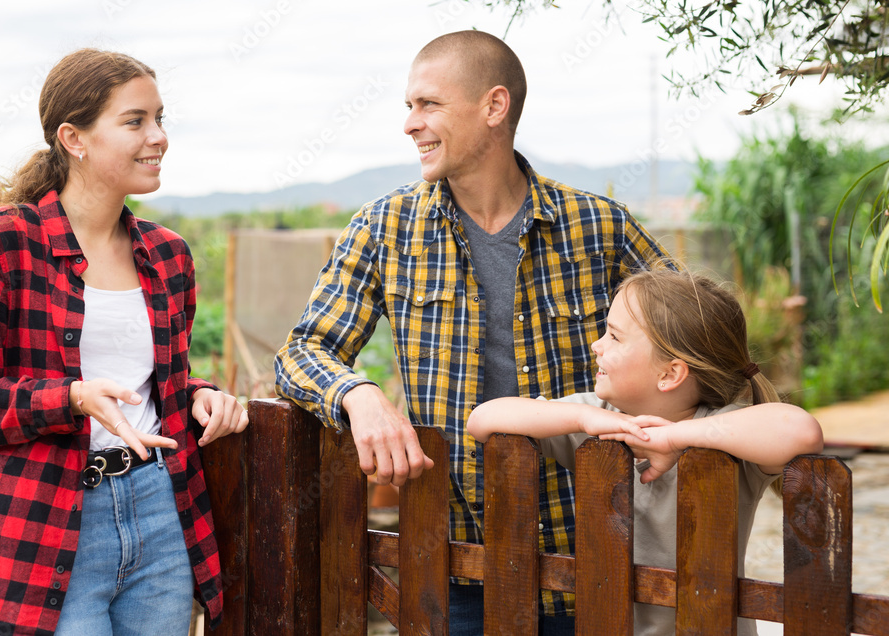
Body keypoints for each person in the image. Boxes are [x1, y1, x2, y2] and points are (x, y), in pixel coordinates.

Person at [274, 30, 670, 633]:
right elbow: (303, 351)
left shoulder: (599, 226)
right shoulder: (385, 229)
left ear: (493, 106)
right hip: (455, 562)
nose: (410, 124)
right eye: (408, 106)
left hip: (597, 554)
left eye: (427, 104)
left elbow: (702, 342)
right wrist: (359, 396)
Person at [0, 49, 248, 636]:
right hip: (44, 522)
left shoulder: (169, 255)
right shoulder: (1, 242)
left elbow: (152, 380)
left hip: (158, 507)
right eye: (136, 121)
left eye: (160, 118)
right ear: (74, 138)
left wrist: (200, 394)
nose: (160, 137)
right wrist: (68, 398)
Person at [468, 268, 825, 635]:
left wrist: (674, 437)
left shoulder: (725, 431)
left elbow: (801, 431)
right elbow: (482, 420)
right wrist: (580, 417)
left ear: (670, 374)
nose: (597, 344)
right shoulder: (601, 420)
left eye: (614, 337)